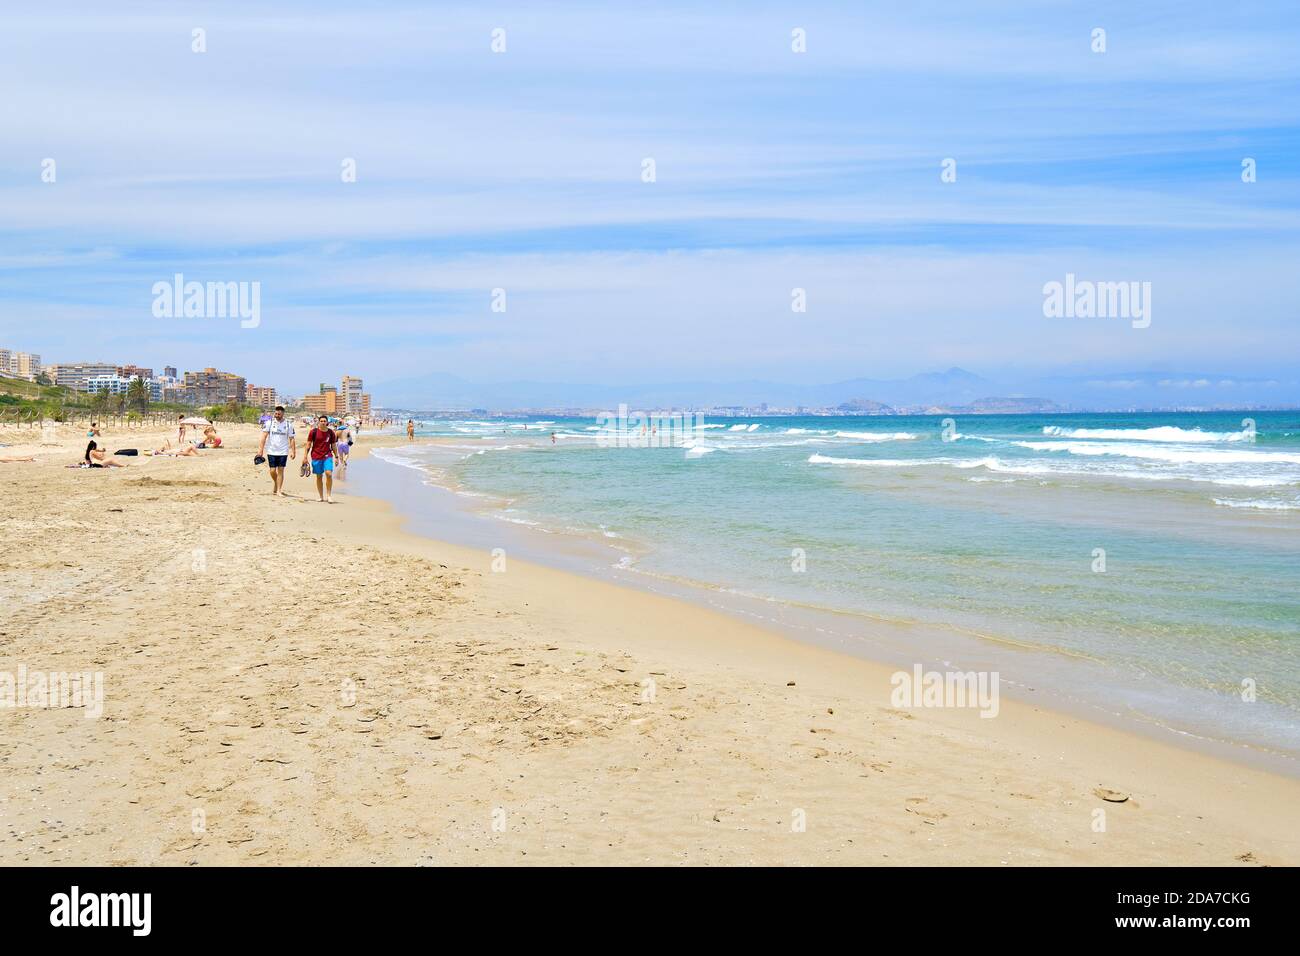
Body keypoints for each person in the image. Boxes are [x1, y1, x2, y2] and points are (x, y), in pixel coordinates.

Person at [257, 406, 296, 495]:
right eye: (276, 414)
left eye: (279, 414)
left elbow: (292, 439)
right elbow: (264, 436)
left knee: (281, 470)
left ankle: (279, 490)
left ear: (283, 414)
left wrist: (293, 451)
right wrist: (260, 450)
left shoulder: (288, 424)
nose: (277, 415)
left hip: (283, 451)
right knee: (272, 471)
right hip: (271, 450)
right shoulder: (269, 423)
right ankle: (276, 482)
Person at [305, 414, 340, 503]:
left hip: (327, 456)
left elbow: (333, 445)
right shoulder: (313, 432)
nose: (323, 423)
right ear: (318, 422)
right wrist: (305, 457)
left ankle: (329, 496)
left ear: (327, 422)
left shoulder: (331, 432)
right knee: (319, 476)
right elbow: (308, 444)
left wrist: (336, 456)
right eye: (321, 421)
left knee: (328, 474)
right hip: (316, 456)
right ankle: (321, 496)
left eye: (324, 421)